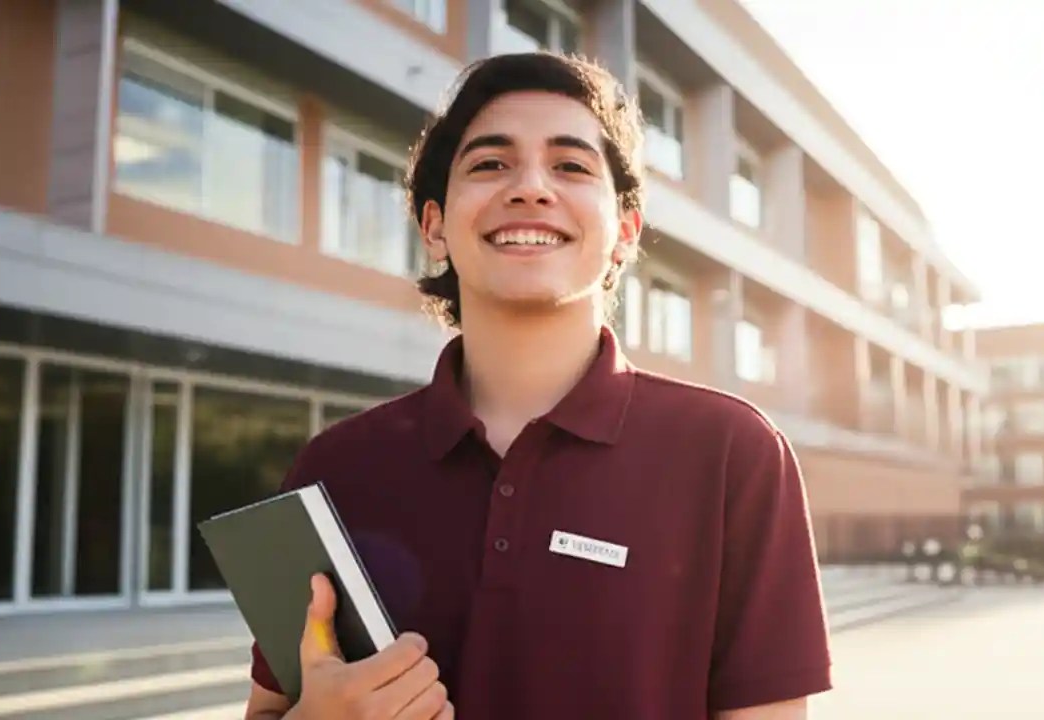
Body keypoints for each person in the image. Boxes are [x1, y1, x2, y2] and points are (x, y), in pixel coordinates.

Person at [242, 51, 832, 720]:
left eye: (572, 166)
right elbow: (269, 709)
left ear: (624, 234)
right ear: (434, 227)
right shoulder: (332, 468)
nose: (530, 187)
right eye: (490, 164)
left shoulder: (734, 454)